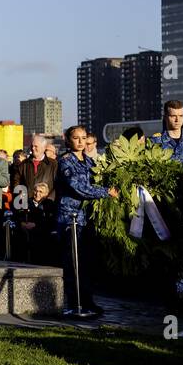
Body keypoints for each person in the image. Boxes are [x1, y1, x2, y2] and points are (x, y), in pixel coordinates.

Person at [54, 125, 119, 316]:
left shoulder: (88, 161)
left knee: (87, 262)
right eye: (76, 138)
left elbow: (98, 178)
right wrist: (106, 192)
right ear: (68, 140)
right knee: (73, 262)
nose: (81, 142)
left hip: (87, 218)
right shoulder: (66, 162)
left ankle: (88, 300)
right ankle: (75, 303)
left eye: (83, 138)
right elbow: (79, 188)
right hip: (70, 218)